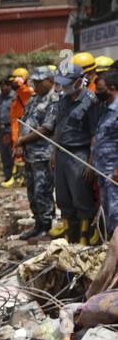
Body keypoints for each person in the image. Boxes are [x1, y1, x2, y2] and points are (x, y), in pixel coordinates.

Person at [52, 60, 103, 244]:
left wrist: (90, 161)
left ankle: (83, 241)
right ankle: (68, 240)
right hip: (61, 154)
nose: (63, 87)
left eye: (66, 83)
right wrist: (54, 152)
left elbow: (95, 134)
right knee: (63, 198)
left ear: (78, 81)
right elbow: (59, 127)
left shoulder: (91, 102)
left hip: (78, 155)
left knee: (81, 197)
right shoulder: (64, 100)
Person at [15, 66, 60, 241]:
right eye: (35, 81)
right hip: (29, 153)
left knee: (43, 191)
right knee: (32, 191)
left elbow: (47, 128)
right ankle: (37, 224)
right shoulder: (34, 99)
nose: (36, 84)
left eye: (40, 82)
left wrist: (23, 141)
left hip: (43, 154)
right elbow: (24, 121)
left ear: (50, 81)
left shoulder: (54, 100)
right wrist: (20, 142)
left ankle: (46, 226)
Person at [89, 72, 118, 238]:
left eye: (99, 89)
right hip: (103, 170)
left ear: (112, 88)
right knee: (107, 212)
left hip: (113, 172)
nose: (96, 92)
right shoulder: (106, 109)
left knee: (116, 214)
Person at [6, 69, 34, 187]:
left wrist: (18, 81)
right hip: (16, 124)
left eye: (16, 79)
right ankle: (18, 177)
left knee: (19, 151)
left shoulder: (26, 91)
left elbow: (20, 87)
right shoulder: (19, 93)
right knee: (17, 152)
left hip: (21, 125)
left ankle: (20, 178)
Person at [0, 77, 15, 185]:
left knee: (13, 153)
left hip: (12, 127)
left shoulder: (15, 97)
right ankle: (7, 176)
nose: (2, 88)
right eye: (1, 86)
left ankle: (15, 176)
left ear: (9, 86)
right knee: (4, 153)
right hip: (2, 128)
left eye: (4, 86)